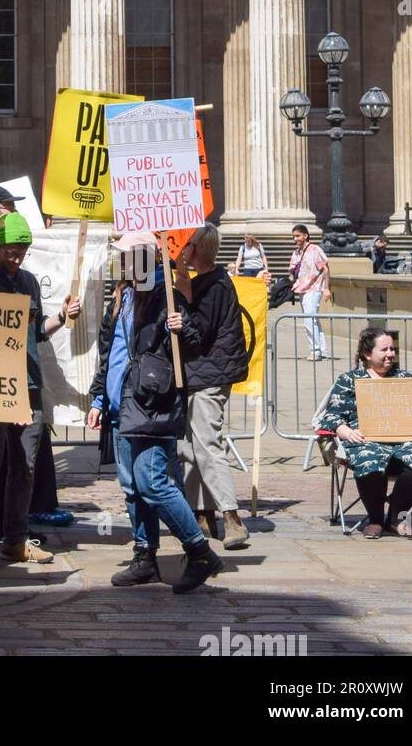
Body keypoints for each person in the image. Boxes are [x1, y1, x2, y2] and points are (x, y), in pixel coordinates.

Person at [87, 230, 225, 593]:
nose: (120, 261)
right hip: (121, 406)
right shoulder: (121, 297)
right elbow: (110, 353)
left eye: (126, 255)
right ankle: (144, 556)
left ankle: (199, 551)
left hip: (150, 403)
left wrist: (183, 328)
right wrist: (99, 399)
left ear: (144, 258)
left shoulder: (167, 296)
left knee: (153, 483)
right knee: (132, 487)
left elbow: (194, 347)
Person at [0, 212, 78, 568]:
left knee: (24, 467)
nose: (17, 257)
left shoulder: (29, 282)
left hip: (29, 387)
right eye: (12, 251)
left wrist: (61, 317)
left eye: (22, 251)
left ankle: (16, 539)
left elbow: (39, 330)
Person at [320, 327, 412, 537]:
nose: (390, 353)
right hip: (366, 440)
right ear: (367, 354)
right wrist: (347, 432)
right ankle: (376, 519)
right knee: (368, 457)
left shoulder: (406, 378)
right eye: (384, 349)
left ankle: (397, 517)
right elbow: (332, 417)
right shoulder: (350, 380)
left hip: (406, 442)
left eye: (392, 349)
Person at [173, 225, 251, 550]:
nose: (182, 248)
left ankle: (233, 518)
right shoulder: (207, 280)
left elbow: (197, 334)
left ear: (195, 249)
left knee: (206, 444)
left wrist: (181, 296)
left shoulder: (214, 284)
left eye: (186, 244)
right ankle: (197, 517)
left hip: (210, 374)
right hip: (202, 373)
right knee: (190, 450)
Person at [290, 223, 332, 361]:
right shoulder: (296, 253)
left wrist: (326, 288)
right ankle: (323, 350)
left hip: (314, 289)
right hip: (302, 289)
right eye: (294, 236)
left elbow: (325, 269)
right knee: (312, 319)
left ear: (305, 235)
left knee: (309, 319)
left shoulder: (314, 250)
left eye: (298, 236)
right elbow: (293, 271)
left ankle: (315, 350)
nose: (295, 239)